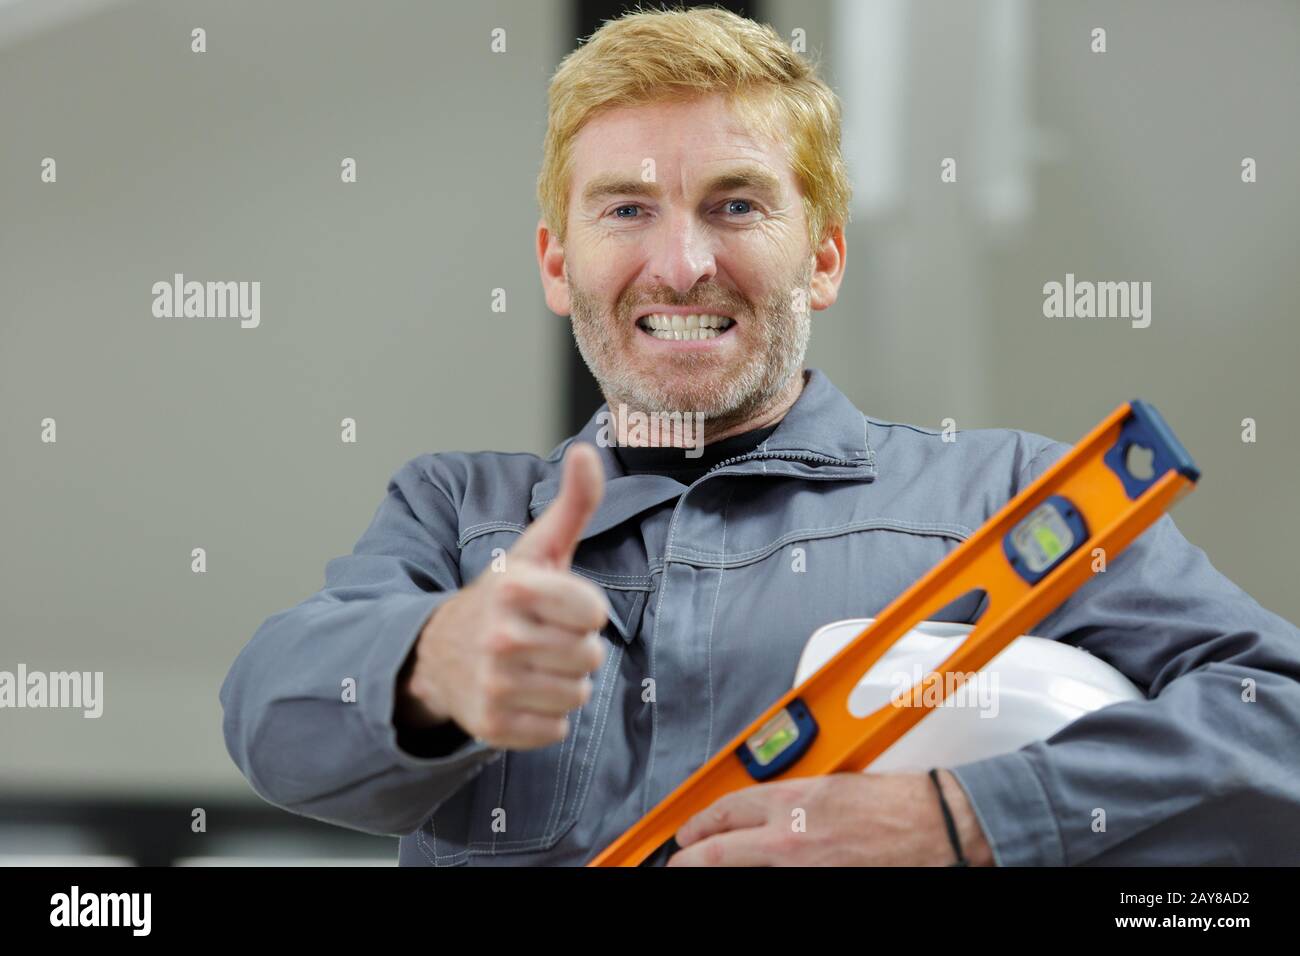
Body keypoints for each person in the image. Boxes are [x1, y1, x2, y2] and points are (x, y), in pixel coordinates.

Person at [219, 7, 1300, 866]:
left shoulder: (1012, 500)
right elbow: (267, 714)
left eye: (736, 205)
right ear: (556, 265)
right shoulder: (459, 516)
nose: (682, 262)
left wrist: (966, 818)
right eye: (626, 209)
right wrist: (429, 665)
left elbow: (1278, 720)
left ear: (822, 258)